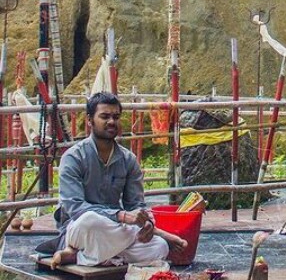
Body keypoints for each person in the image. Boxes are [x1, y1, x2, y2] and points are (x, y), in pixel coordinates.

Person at [48, 92, 186, 268]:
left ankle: (80, 256)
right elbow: (75, 208)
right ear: (90, 120)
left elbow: (136, 204)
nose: (111, 121)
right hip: (80, 229)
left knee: (159, 247)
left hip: (115, 229)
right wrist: (122, 216)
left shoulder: (128, 159)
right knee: (90, 219)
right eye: (105, 116)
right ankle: (97, 253)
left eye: (116, 117)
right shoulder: (73, 157)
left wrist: (147, 223)